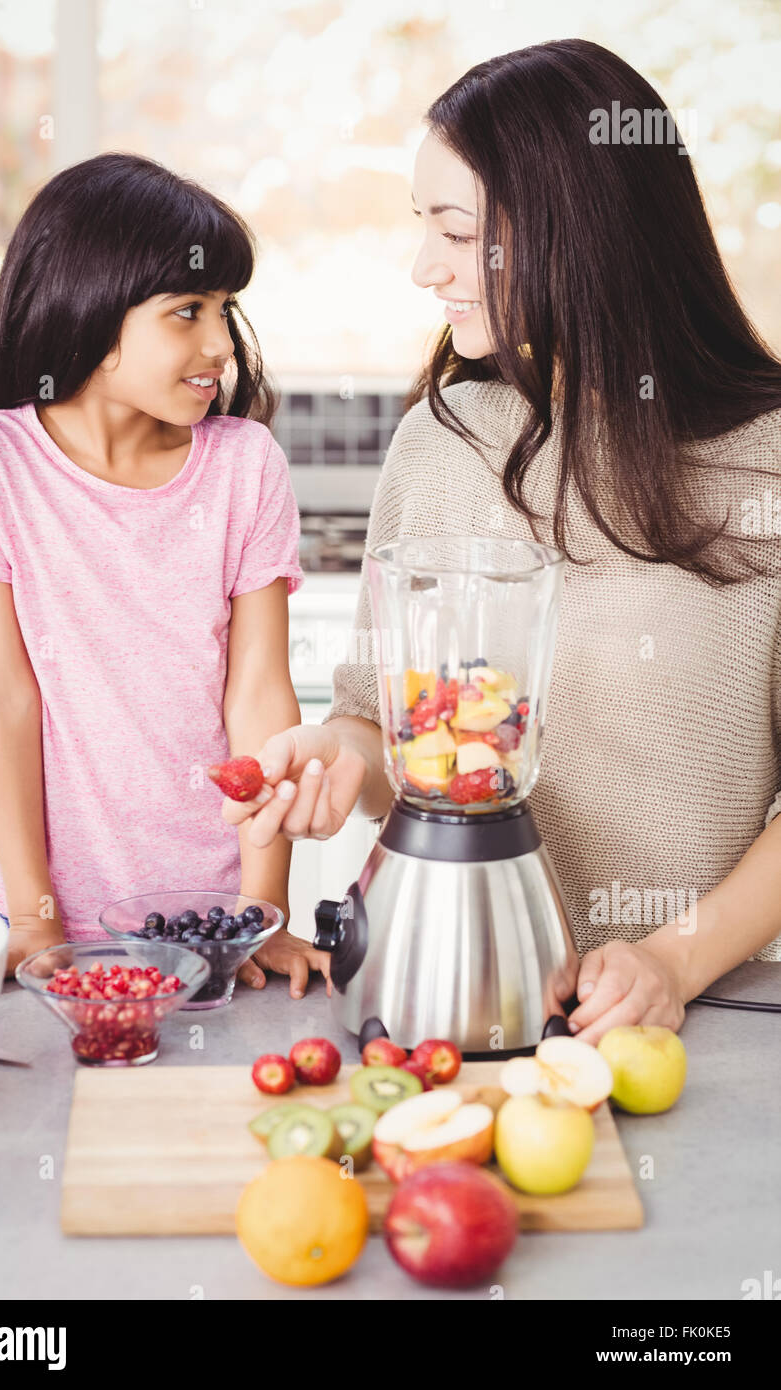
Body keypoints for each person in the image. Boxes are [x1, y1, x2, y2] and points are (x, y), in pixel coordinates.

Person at [222, 39, 781, 1044]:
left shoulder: (766, 460)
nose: (421, 265)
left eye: (454, 230)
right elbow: (376, 724)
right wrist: (338, 758)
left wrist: (668, 961)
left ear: (582, 228)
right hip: (443, 1005)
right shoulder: (437, 441)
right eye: (419, 226)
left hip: (706, 1017)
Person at [0, 152, 331, 997]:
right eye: (187, 312)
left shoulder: (244, 464)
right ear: (91, 306)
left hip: (212, 923)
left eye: (226, 311)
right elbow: (3, 696)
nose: (219, 343)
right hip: (46, 919)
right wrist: (36, 922)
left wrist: (263, 912)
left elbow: (258, 694)